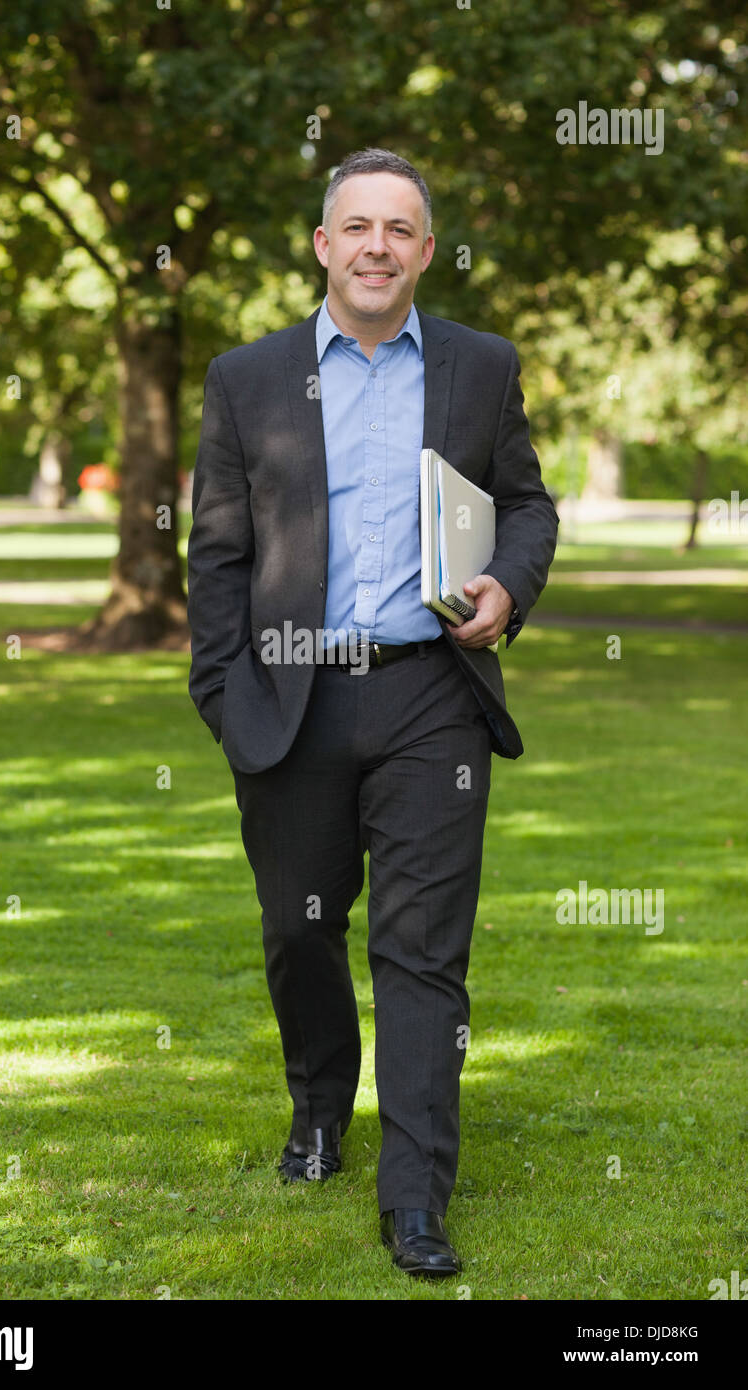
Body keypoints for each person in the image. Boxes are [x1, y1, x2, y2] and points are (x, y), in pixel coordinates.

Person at [187, 148, 559, 1279]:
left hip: (428, 698)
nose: (376, 247)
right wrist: (221, 688)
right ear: (321, 245)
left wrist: (508, 586)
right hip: (288, 694)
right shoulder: (246, 380)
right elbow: (215, 552)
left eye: (399, 230)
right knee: (300, 931)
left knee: (421, 953)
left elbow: (526, 507)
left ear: (425, 252)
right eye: (356, 226)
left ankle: (414, 1196)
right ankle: (315, 1110)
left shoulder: (478, 368)